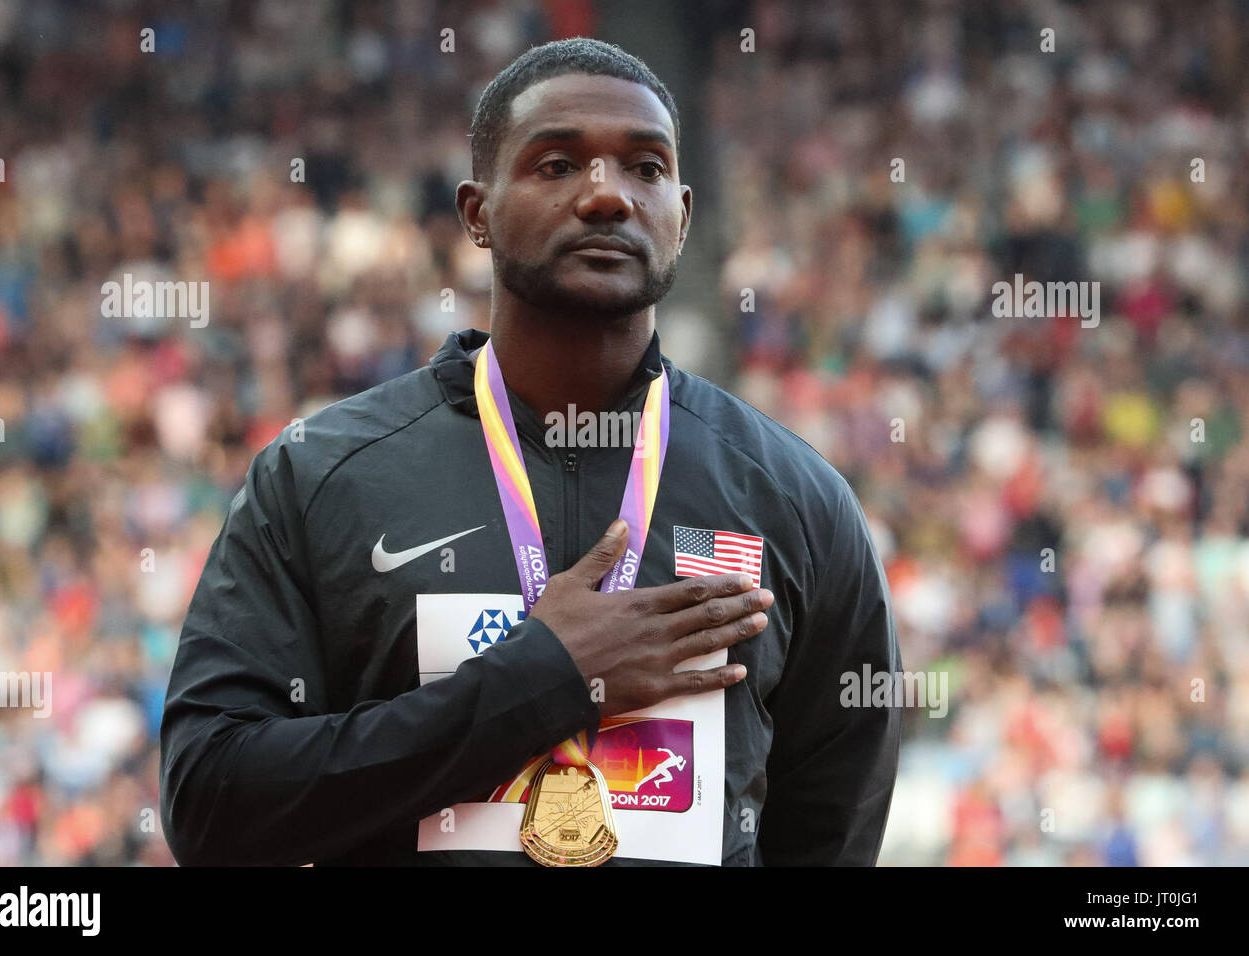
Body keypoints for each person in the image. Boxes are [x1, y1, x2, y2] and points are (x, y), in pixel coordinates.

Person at [159, 36, 901, 866]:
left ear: (684, 216)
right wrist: (541, 681)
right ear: (476, 212)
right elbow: (209, 803)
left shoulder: (795, 499)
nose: (607, 196)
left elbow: (828, 838)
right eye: (556, 165)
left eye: (646, 169)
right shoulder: (318, 477)